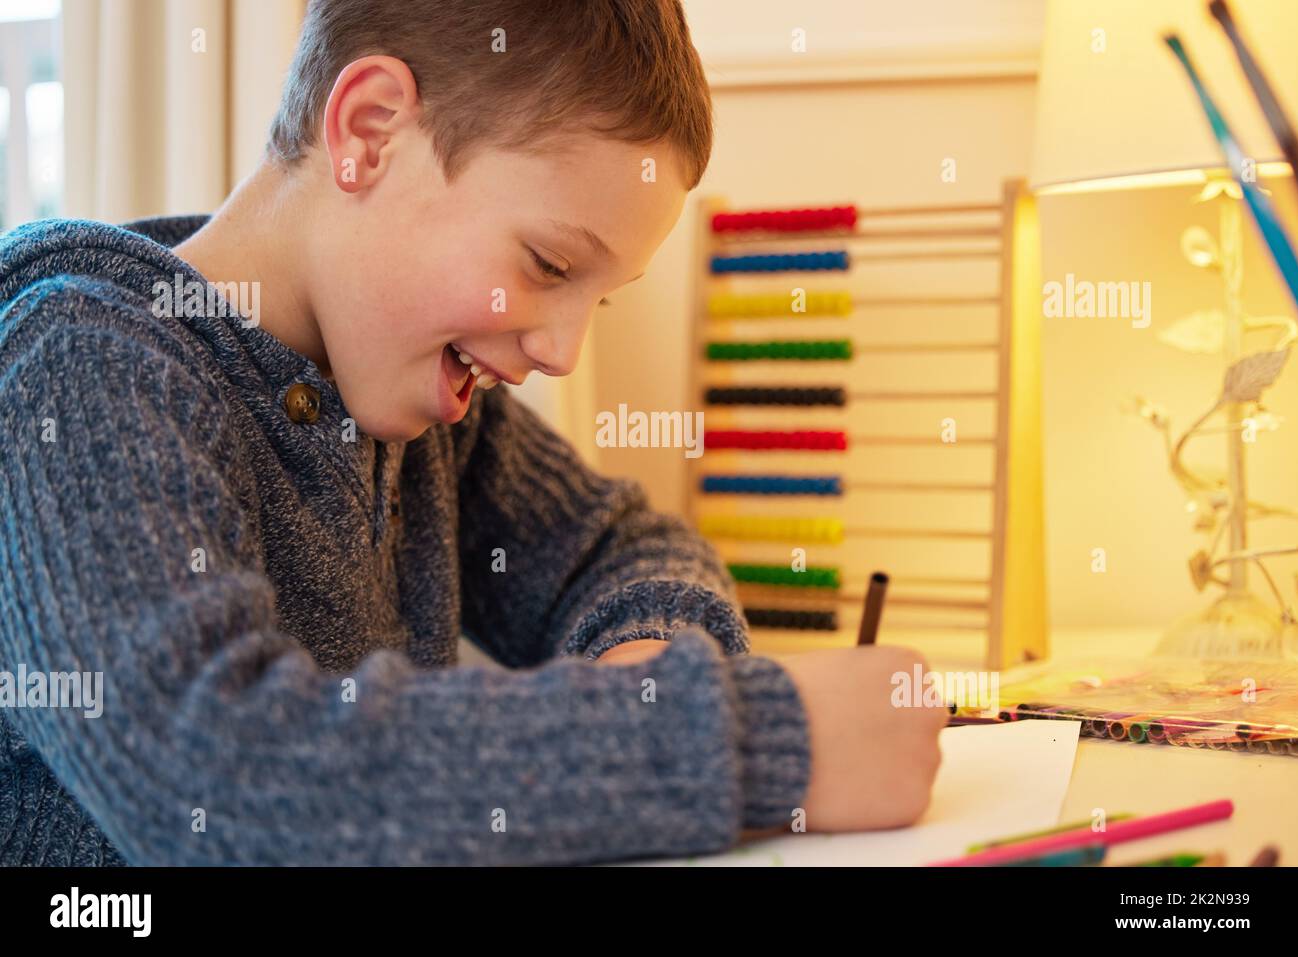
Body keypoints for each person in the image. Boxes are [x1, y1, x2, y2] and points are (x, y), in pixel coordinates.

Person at [0, 0, 945, 866]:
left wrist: (648, 662)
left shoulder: (421, 410)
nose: (564, 351)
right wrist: (753, 743)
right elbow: (209, 768)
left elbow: (617, 546)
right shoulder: (79, 365)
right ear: (369, 132)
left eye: (598, 300)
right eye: (547, 262)